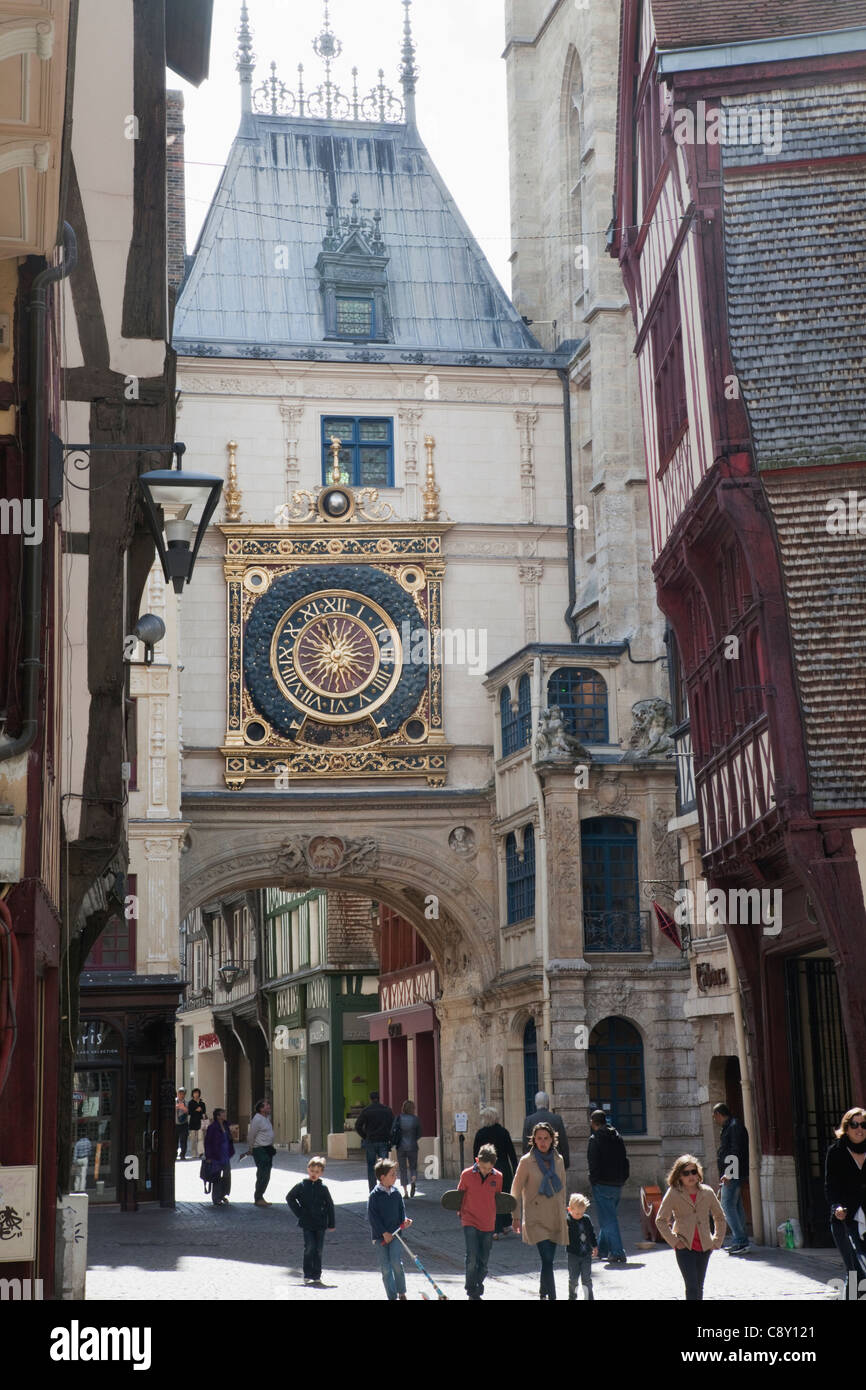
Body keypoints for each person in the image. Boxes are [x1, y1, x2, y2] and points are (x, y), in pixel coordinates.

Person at [656, 1154, 726, 1301]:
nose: (691, 1176)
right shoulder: (674, 1193)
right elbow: (661, 1220)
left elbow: (719, 1217)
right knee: (692, 1285)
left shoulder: (707, 1192)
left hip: (705, 1245)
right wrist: (675, 1242)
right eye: (686, 1173)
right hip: (685, 1245)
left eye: (693, 1172)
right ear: (679, 1175)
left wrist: (717, 1240)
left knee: (699, 1285)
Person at [511, 1121, 569, 1300]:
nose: (543, 1142)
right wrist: (515, 1216)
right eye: (539, 1139)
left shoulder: (559, 1161)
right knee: (548, 1259)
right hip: (535, 1217)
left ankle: (543, 1290)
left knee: (548, 1259)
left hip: (554, 1216)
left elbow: (563, 1188)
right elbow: (515, 1190)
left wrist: (565, 1213)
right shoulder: (527, 1162)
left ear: (552, 1139)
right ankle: (552, 1296)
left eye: (546, 1138)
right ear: (533, 1141)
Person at [825, 1106, 866, 1297]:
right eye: (854, 1125)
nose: (860, 1129)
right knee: (855, 1272)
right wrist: (836, 1206)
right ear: (846, 1128)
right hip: (845, 1219)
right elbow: (831, 1185)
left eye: (863, 1125)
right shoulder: (836, 1152)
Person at [457, 1143, 503, 1300]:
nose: (485, 1171)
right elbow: (459, 1195)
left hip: (488, 1222)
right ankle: (471, 1288)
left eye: (488, 1169)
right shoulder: (466, 1174)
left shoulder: (498, 1177)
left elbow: (497, 1198)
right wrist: (460, 1213)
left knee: (484, 1260)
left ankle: (478, 1283)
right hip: (469, 1219)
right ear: (477, 1160)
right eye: (483, 1167)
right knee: (472, 1257)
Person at [367, 1157, 412, 1301]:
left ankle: (402, 1292)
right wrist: (384, 1233)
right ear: (382, 1177)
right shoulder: (374, 1196)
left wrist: (404, 1220)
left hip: (396, 1235)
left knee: (396, 1263)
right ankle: (391, 1296)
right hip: (381, 1237)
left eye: (395, 1174)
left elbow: (401, 1210)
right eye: (392, 1174)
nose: (395, 1177)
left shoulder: (396, 1193)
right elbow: (373, 1217)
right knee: (386, 1268)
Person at [286, 1156, 336, 1287]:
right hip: (307, 1223)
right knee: (309, 1247)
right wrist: (299, 1213)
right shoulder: (301, 1186)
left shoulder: (323, 1188)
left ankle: (317, 1275)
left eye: (317, 1172)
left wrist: (331, 1223)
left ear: (321, 1173)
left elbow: (330, 1205)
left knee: (318, 1249)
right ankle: (307, 1273)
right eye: (312, 1170)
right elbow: (290, 1198)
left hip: (320, 1223)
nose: (314, 1174)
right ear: (308, 1169)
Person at [588, 1109, 629, 1263]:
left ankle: (618, 1252)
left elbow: (593, 1163)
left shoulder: (595, 1139)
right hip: (617, 1183)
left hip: (602, 1184)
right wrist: (623, 1178)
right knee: (609, 1216)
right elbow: (625, 1160)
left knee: (608, 1219)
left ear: (593, 1123)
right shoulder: (617, 1137)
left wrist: (594, 1180)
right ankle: (602, 1249)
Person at [473, 1107, 518, 1237]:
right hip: (503, 1167)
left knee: (489, 1198)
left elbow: (475, 1154)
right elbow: (511, 1153)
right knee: (502, 1197)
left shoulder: (480, 1134)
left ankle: (495, 1228)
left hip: (486, 1169)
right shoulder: (503, 1132)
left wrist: (477, 1171)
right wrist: (515, 1169)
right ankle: (504, 1225)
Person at [713, 1102, 750, 1253]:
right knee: (736, 1206)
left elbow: (735, 1150)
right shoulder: (732, 1125)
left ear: (719, 1115)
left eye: (714, 1117)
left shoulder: (733, 1126)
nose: (714, 1121)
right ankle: (742, 1240)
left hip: (733, 1173)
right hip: (734, 1172)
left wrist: (729, 1173)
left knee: (727, 1205)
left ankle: (740, 1241)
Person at [355, 1091, 395, 1191]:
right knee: (384, 1167)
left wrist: (365, 1136)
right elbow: (393, 1125)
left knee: (371, 1166)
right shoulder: (387, 1110)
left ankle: (372, 1189)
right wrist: (389, 1136)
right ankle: (385, 1186)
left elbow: (358, 1125)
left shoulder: (366, 1110)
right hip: (384, 1140)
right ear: (379, 1098)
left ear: (370, 1099)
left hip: (371, 1141)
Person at [523, 1091, 570, 1169]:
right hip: (554, 1163)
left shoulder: (528, 1120)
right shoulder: (557, 1119)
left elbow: (526, 1145)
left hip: (535, 1164)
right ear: (548, 1103)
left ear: (536, 1103)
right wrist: (565, 1163)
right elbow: (563, 1142)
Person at [566, 1193, 598, 1301]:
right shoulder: (568, 1221)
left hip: (586, 1254)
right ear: (569, 1209)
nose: (580, 1215)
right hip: (573, 1254)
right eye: (577, 1213)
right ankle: (572, 1297)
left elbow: (591, 1233)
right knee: (573, 1279)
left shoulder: (586, 1219)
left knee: (587, 1279)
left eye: (582, 1212)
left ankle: (589, 1297)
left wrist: (594, 1246)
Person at [247, 1099, 276, 1207]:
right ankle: (258, 1197)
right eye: (266, 1105)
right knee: (263, 1174)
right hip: (260, 1149)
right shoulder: (257, 1119)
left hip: (267, 1148)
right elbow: (251, 1135)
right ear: (261, 1108)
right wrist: (251, 1149)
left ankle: (260, 1196)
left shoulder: (266, 1118)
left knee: (266, 1173)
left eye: (269, 1104)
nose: (269, 1106)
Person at [391, 1100, 422, 1200]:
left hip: (401, 1147)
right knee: (413, 1166)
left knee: (403, 1169)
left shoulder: (399, 1118)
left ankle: (405, 1192)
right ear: (413, 1108)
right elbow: (419, 1133)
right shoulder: (415, 1119)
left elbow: (392, 1131)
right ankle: (413, 1180)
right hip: (413, 1146)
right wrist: (414, 1139)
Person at [204, 1108, 235, 1206]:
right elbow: (208, 1142)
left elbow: (229, 1138)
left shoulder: (226, 1125)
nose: (225, 1115)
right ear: (218, 1116)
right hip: (216, 1155)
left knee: (227, 1176)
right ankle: (216, 1198)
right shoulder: (212, 1127)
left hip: (225, 1154)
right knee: (216, 1177)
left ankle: (223, 1194)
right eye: (223, 1113)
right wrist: (208, 1156)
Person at [187, 1089, 207, 1160]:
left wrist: (204, 1118)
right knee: (193, 1139)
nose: (196, 1094)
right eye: (194, 1093)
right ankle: (193, 1153)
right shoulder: (190, 1103)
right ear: (192, 1094)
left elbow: (204, 1113)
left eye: (197, 1093)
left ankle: (200, 1153)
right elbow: (189, 1113)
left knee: (201, 1138)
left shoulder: (202, 1103)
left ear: (199, 1094)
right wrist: (196, 1110)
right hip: (192, 1123)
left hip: (200, 1123)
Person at [175, 1088, 189, 1160]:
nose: (181, 1095)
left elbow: (188, 1112)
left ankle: (182, 1154)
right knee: (174, 1141)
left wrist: (183, 1108)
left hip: (184, 1124)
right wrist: (176, 1107)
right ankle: (174, 1154)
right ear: (177, 1093)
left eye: (182, 1093)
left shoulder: (186, 1103)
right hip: (175, 1124)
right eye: (180, 1093)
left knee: (183, 1140)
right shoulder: (174, 1101)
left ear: (184, 1095)